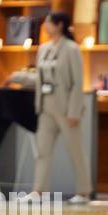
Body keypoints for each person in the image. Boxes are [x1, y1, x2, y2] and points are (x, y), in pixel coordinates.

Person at [28, 11, 93, 203]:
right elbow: (38, 78)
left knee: (75, 149)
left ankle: (83, 191)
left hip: (65, 107)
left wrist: (74, 111)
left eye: (49, 23)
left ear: (60, 26)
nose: (46, 26)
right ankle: (39, 190)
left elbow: (77, 82)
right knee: (43, 150)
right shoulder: (43, 49)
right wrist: (16, 78)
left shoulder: (71, 49)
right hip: (46, 105)